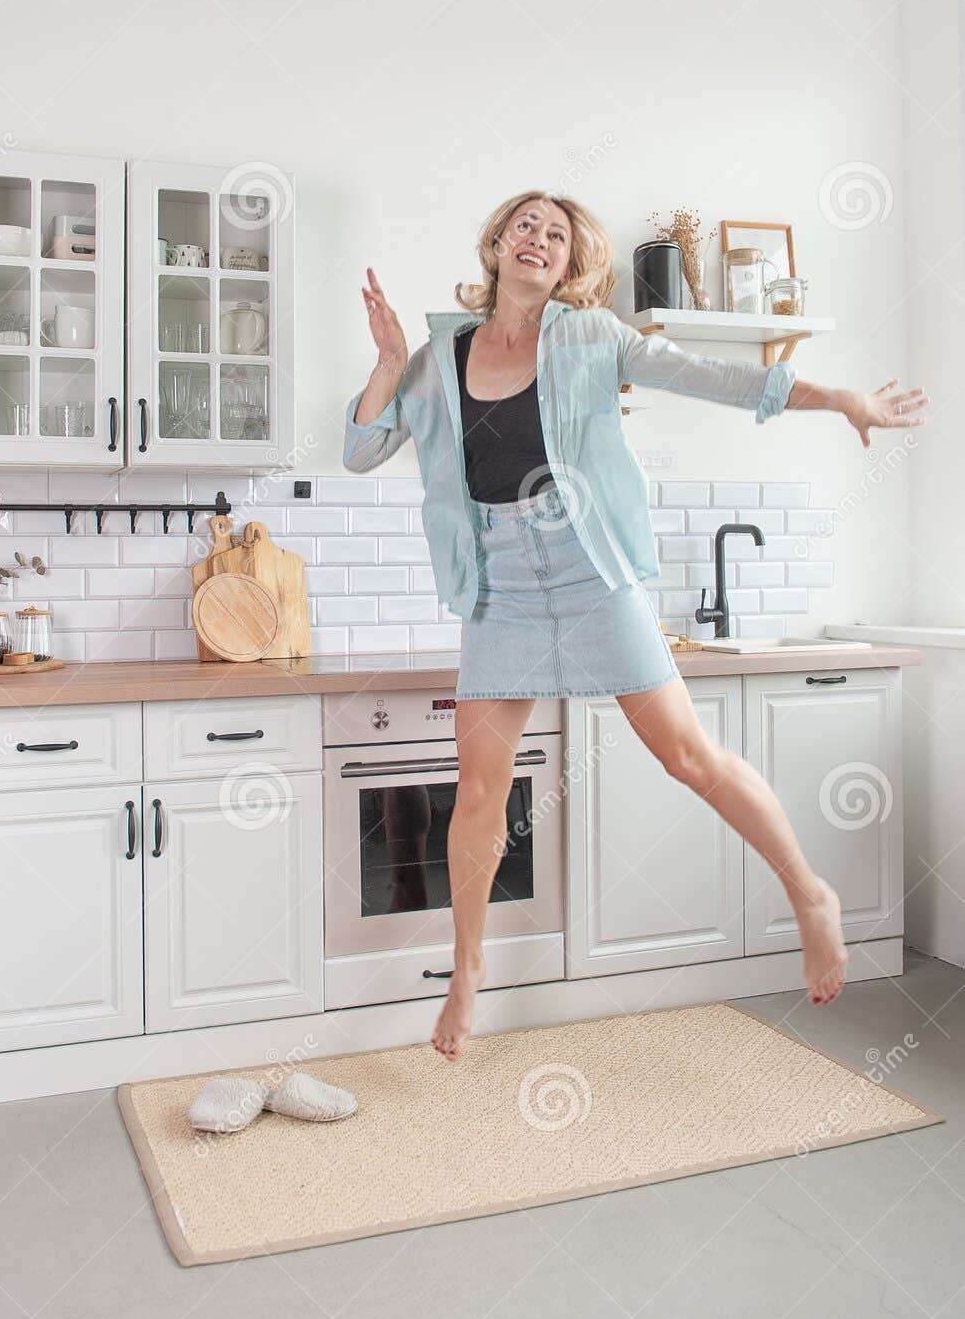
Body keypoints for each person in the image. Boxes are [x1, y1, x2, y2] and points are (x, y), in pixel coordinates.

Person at [343, 190, 929, 1063]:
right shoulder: (436, 355)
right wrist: (387, 363)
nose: (538, 239)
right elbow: (360, 451)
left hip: (588, 572)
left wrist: (838, 397)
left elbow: (713, 377)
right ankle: (467, 969)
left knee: (687, 756)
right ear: (497, 243)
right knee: (477, 791)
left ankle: (810, 895)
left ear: (571, 262)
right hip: (497, 585)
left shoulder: (592, 339)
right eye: (525, 226)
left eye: (557, 233)